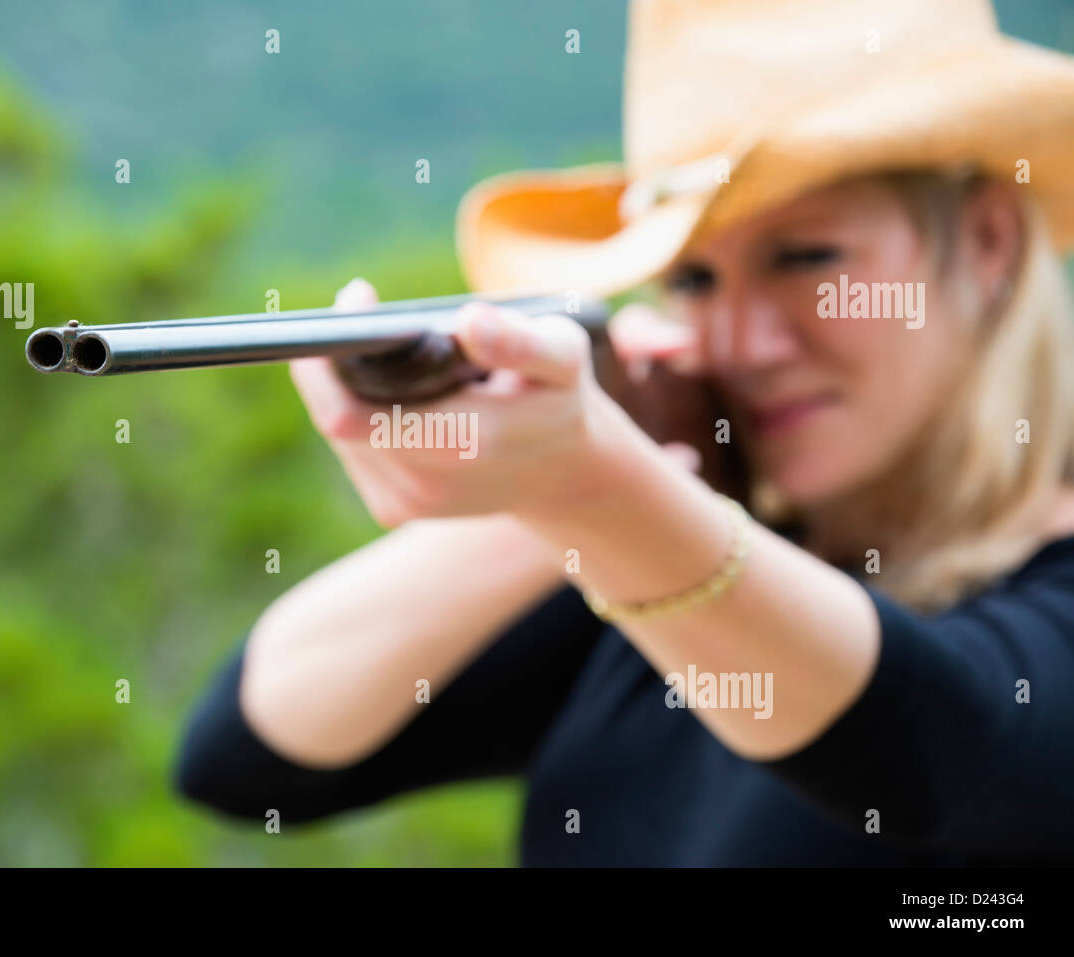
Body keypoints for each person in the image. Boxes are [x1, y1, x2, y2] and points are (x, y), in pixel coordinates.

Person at [175, 0, 1074, 864]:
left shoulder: (665, 556)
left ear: (989, 240)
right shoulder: (655, 561)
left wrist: (593, 481)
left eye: (806, 258)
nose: (744, 342)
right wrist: (554, 482)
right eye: (693, 280)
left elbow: (935, 744)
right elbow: (252, 753)